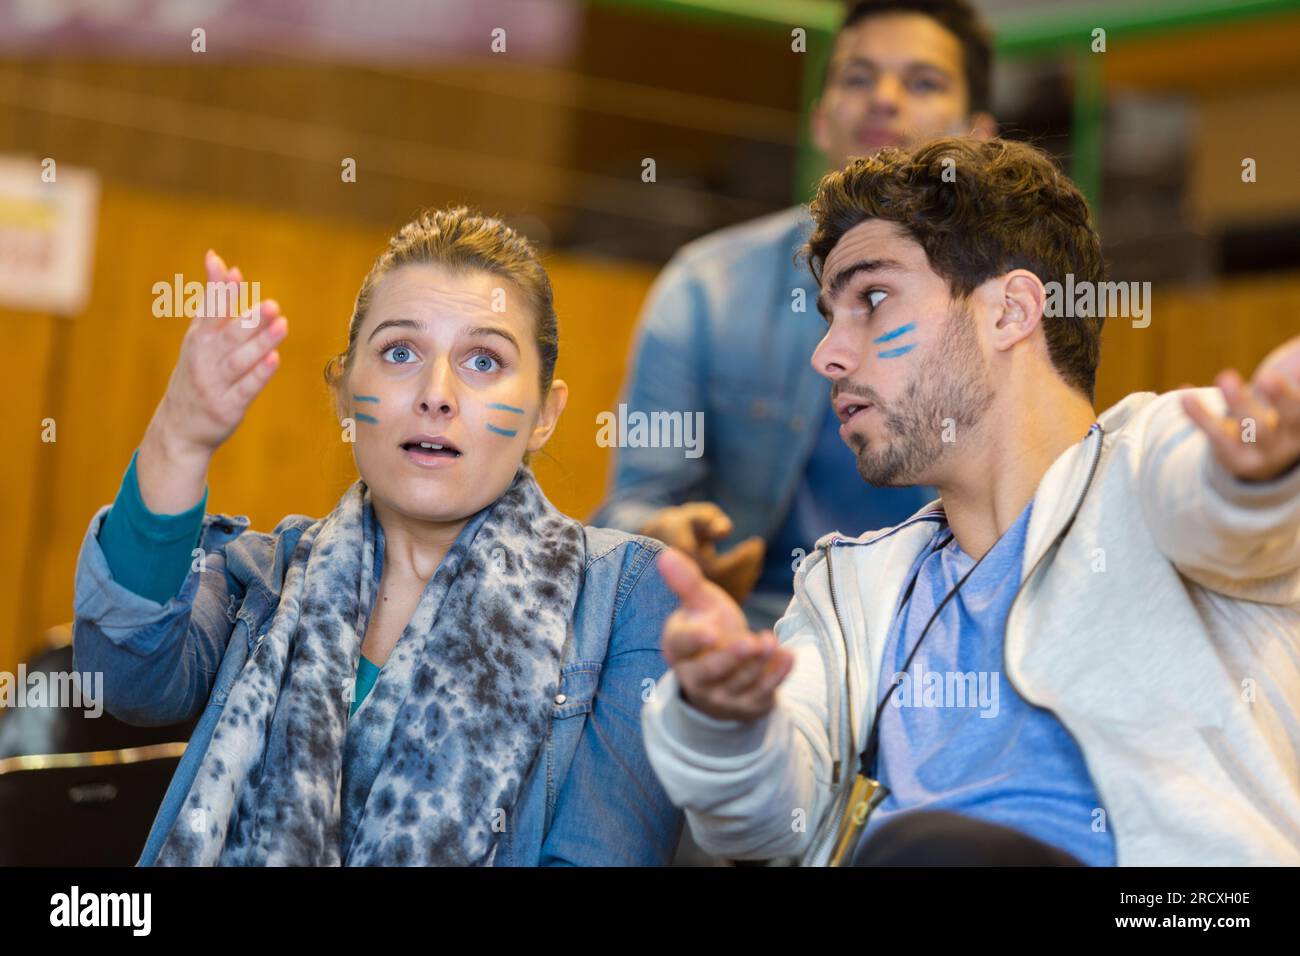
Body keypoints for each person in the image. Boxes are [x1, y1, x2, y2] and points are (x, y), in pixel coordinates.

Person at [641, 136, 1300, 866]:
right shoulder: (846, 586)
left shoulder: (1154, 457)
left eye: (873, 300)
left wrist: (1259, 478)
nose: (825, 355)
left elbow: (1222, 508)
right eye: (830, 314)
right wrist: (722, 719)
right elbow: (766, 828)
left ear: (1009, 311)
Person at [72, 207, 683, 866]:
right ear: (344, 388)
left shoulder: (628, 597)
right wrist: (182, 436)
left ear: (545, 413)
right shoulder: (267, 575)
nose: (436, 394)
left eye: (484, 359)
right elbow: (125, 681)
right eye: (400, 352)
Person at [593, 0, 998, 631]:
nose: (883, 99)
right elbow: (628, 508)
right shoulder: (707, 286)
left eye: (922, 83)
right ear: (820, 119)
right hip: (747, 627)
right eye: (857, 78)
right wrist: (666, 539)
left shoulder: (1009, 302)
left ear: (978, 135)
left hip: (935, 633)